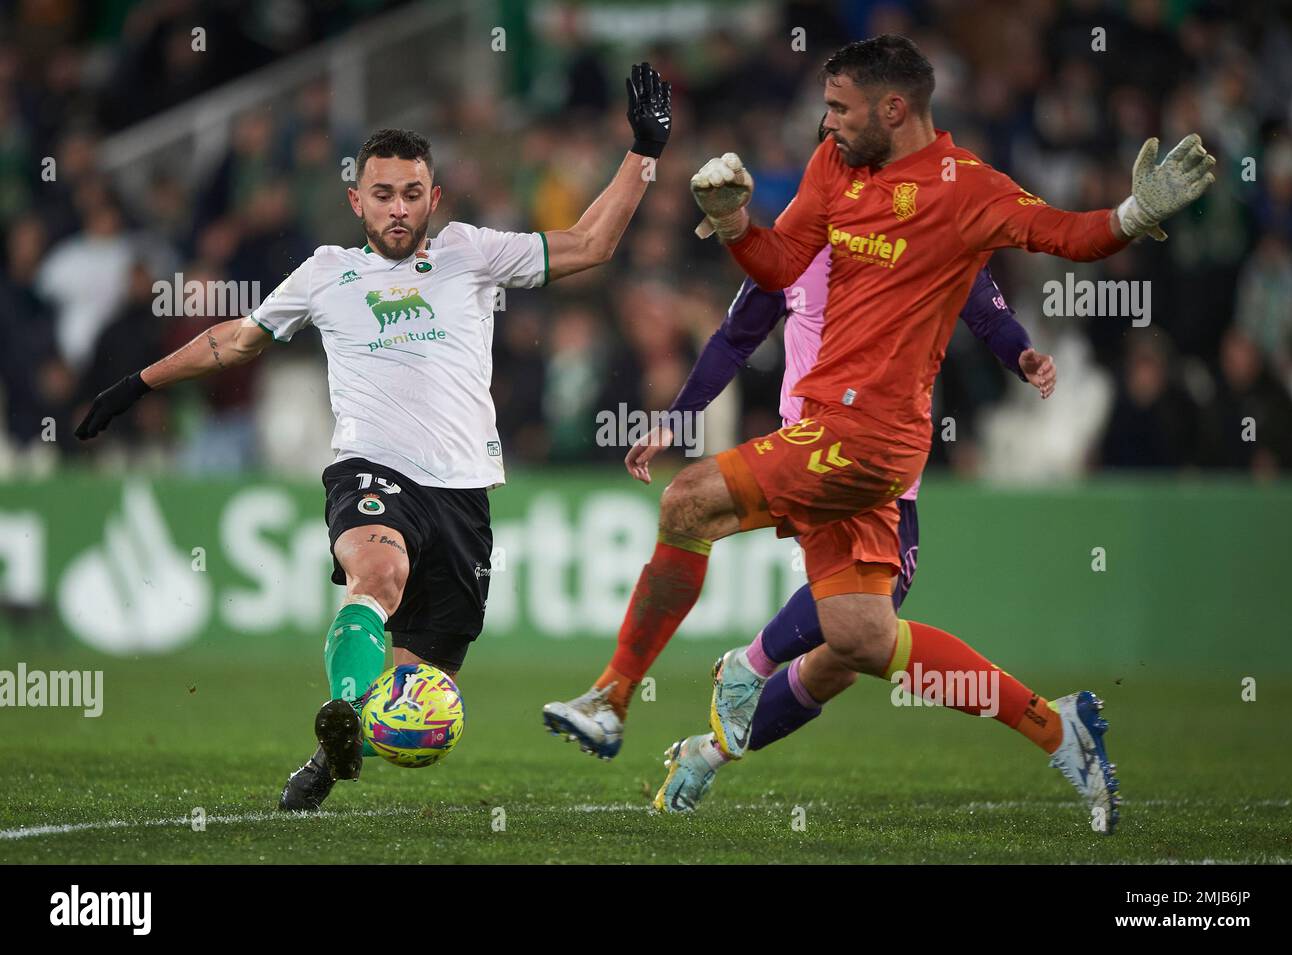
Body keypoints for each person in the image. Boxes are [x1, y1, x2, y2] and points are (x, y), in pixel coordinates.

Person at [542, 36, 1214, 832]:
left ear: (893, 108)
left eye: (839, 109)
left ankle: (615, 697)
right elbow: (781, 262)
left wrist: (1135, 214)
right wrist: (732, 224)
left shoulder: (968, 190)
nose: (825, 126)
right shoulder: (835, 170)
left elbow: (1070, 235)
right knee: (860, 637)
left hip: (874, 437)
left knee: (689, 501)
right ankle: (1056, 724)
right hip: (825, 423)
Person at [74, 64, 674, 812]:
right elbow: (238, 339)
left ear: (434, 197)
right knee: (374, 574)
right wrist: (136, 384)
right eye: (383, 194)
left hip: (462, 497)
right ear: (356, 198)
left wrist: (643, 152)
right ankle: (341, 715)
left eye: (412, 193)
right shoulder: (327, 272)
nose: (398, 209)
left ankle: (334, 748)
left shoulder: (470, 252)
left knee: (423, 690)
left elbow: (589, 243)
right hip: (371, 470)